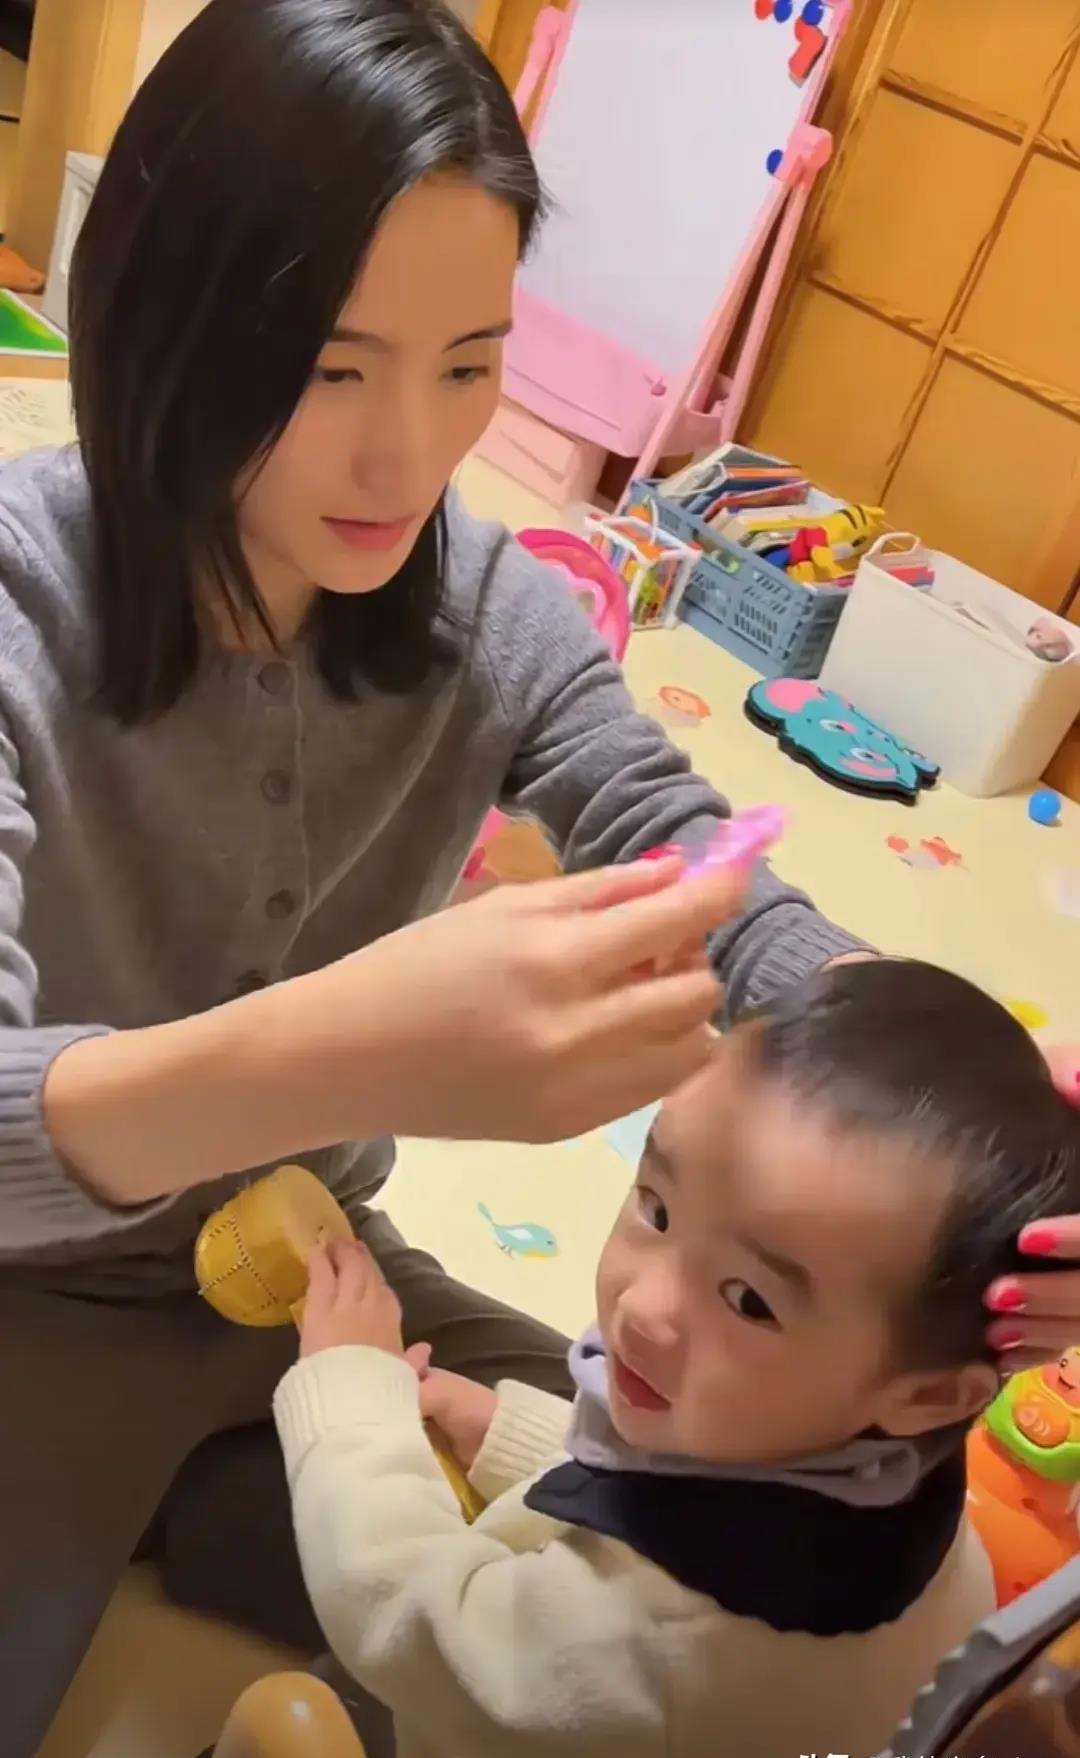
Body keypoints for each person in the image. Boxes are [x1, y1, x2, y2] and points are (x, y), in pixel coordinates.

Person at [0, 2, 872, 1750]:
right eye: (332, 368)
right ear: (167, 315)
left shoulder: (489, 610)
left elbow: (699, 853)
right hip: (32, 1294)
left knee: (739, 1568)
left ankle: (232, 1492)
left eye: (469, 362)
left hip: (322, 1280)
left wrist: (968, 1107)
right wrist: (358, 1049)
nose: (410, 456)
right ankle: (209, 1500)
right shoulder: (21, 602)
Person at [277, 960, 1080, 1758]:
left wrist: (350, 1389)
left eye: (750, 1301)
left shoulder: (651, 1641)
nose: (645, 1307)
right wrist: (508, 1433)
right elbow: (680, 1493)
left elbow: (408, 1619)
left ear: (933, 1392)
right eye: (657, 1208)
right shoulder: (902, 1499)